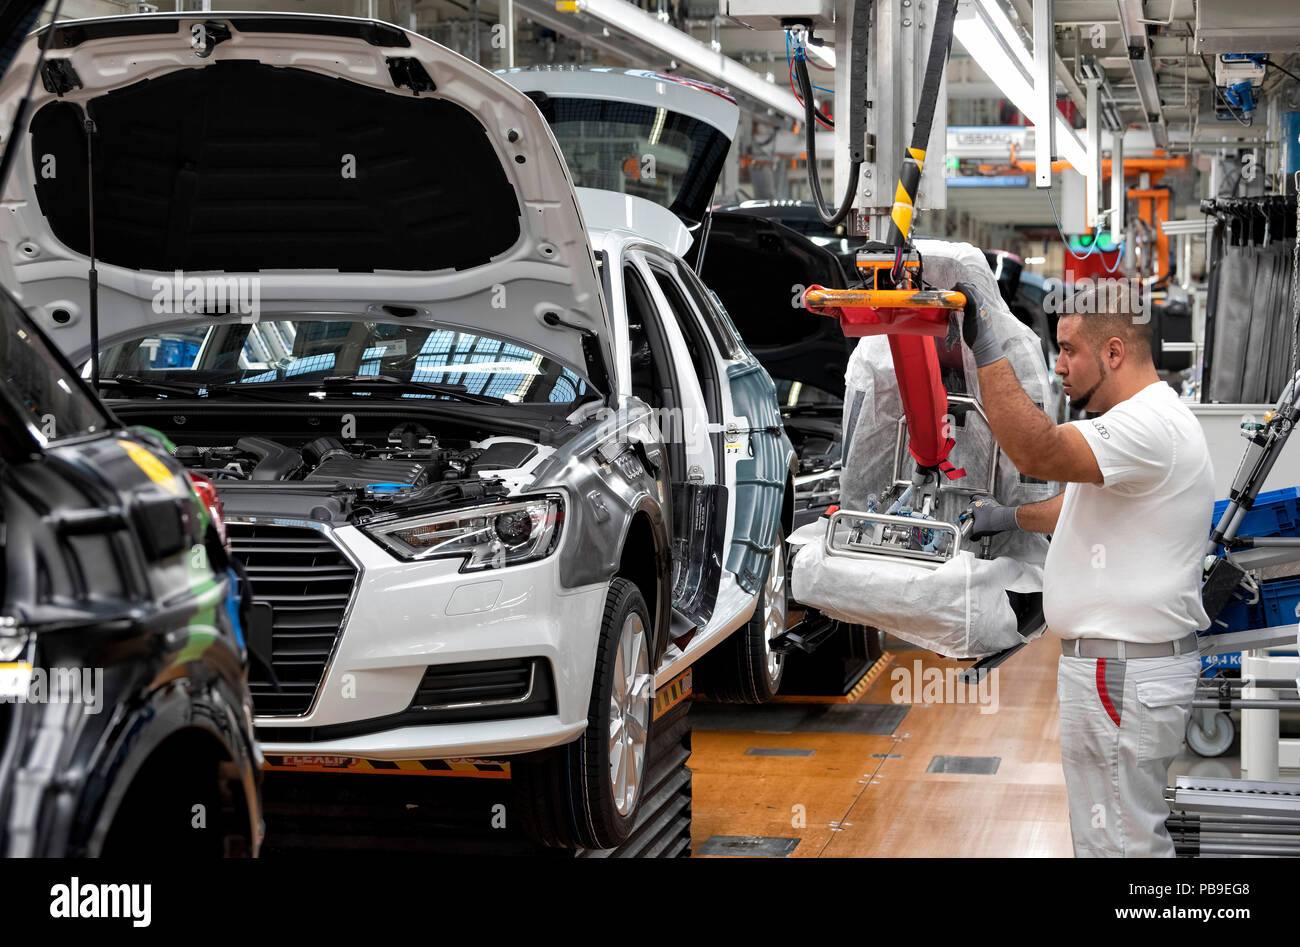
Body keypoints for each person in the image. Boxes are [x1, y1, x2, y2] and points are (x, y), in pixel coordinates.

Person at [955, 272, 1214, 857]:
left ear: (1113, 352)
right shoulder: (1149, 421)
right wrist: (1009, 518)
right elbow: (1075, 506)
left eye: (1069, 350)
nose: (1059, 367)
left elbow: (1038, 450)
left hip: (1120, 671)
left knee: (1118, 846)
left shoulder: (1145, 424)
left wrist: (986, 346)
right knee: (1116, 837)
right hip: (1122, 669)